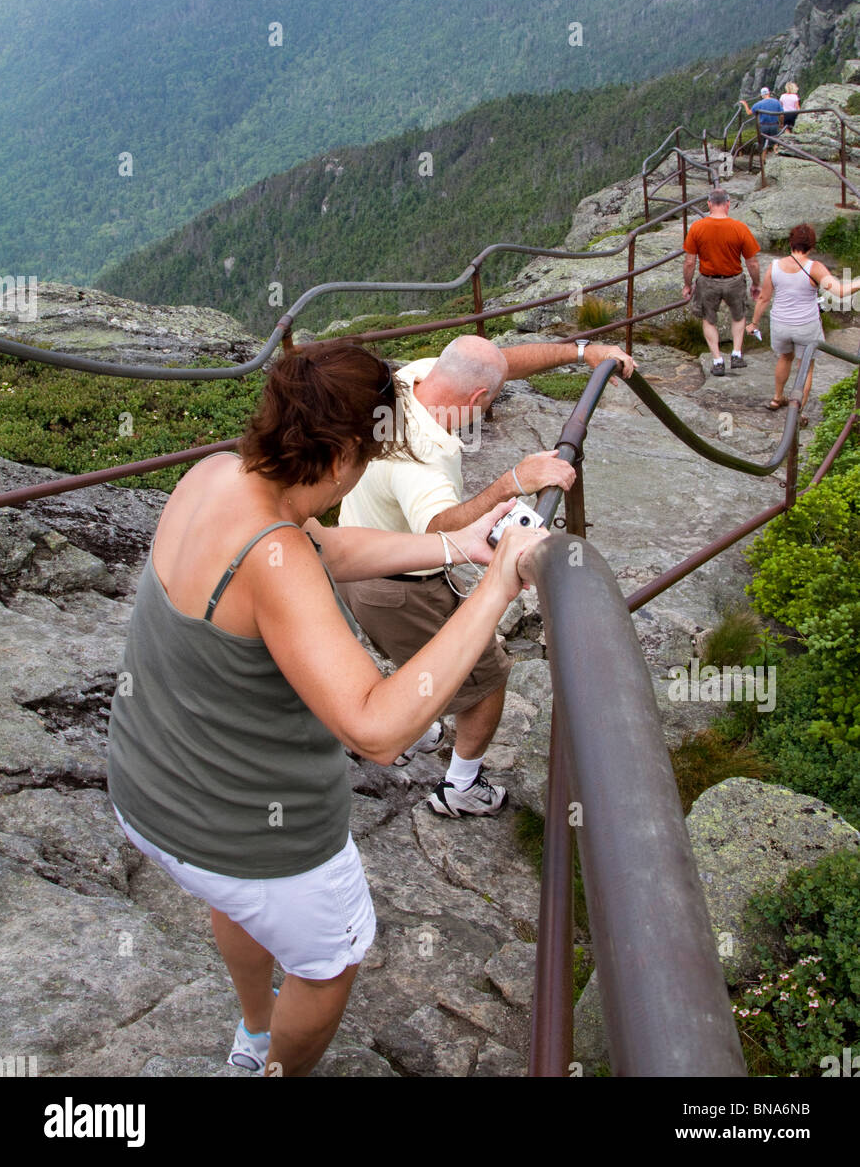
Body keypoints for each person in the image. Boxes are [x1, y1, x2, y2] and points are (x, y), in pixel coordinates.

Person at [106, 342, 547, 1077]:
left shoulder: (217, 476)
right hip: (248, 836)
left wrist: (453, 546)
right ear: (344, 455)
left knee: (241, 905)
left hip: (147, 794)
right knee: (329, 961)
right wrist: (499, 584)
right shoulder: (270, 552)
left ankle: (253, 1038)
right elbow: (375, 729)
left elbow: (325, 550)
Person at [337, 332, 636, 817]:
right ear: (477, 399)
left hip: (356, 561)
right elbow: (437, 527)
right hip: (402, 589)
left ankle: (418, 726)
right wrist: (512, 483)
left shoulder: (411, 379)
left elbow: (498, 363)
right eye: (488, 401)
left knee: (418, 659)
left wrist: (582, 352)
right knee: (488, 679)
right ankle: (460, 787)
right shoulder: (424, 457)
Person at [747, 223, 860, 420]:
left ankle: (777, 398)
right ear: (812, 245)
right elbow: (839, 291)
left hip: (780, 323)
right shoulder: (814, 268)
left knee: (784, 358)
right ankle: (797, 413)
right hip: (805, 325)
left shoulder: (774, 267)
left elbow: (764, 298)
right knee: (805, 367)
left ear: (791, 242)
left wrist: (754, 323)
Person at [682, 188, 762, 375]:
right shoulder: (739, 228)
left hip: (708, 281)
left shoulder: (697, 228)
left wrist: (687, 284)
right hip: (734, 280)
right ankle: (736, 353)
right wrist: (756, 284)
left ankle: (717, 360)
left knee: (709, 319)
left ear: (709, 204)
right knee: (738, 315)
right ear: (727, 204)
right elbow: (752, 262)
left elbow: (689, 261)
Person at [740, 87, 784, 153]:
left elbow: (749, 112)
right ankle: (777, 157)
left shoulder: (758, 104)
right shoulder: (776, 102)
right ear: (769, 93)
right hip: (774, 125)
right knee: (775, 143)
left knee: (763, 146)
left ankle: (763, 162)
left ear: (762, 95)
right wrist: (781, 124)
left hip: (764, 126)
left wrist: (745, 104)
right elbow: (782, 114)